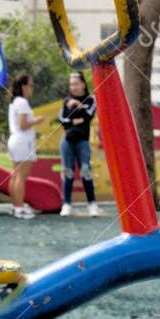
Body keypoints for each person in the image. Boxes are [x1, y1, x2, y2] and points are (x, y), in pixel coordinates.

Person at [57, 71, 99, 217]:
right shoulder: (66, 101)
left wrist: (79, 107)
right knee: (67, 171)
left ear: (83, 84)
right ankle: (67, 204)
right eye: (71, 84)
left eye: (76, 84)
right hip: (67, 141)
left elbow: (89, 116)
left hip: (83, 141)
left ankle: (92, 204)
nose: (73, 87)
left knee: (86, 171)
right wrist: (76, 120)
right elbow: (63, 121)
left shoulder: (91, 99)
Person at [6, 73, 42, 219]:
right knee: (21, 177)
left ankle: (16, 206)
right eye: (30, 85)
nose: (31, 88)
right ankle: (19, 208)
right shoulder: (22, 102)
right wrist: (37, 120)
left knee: (15, 176)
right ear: (23, 87)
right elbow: (23, 125)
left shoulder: (15, 101)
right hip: (22, 142)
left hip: (15, 141)